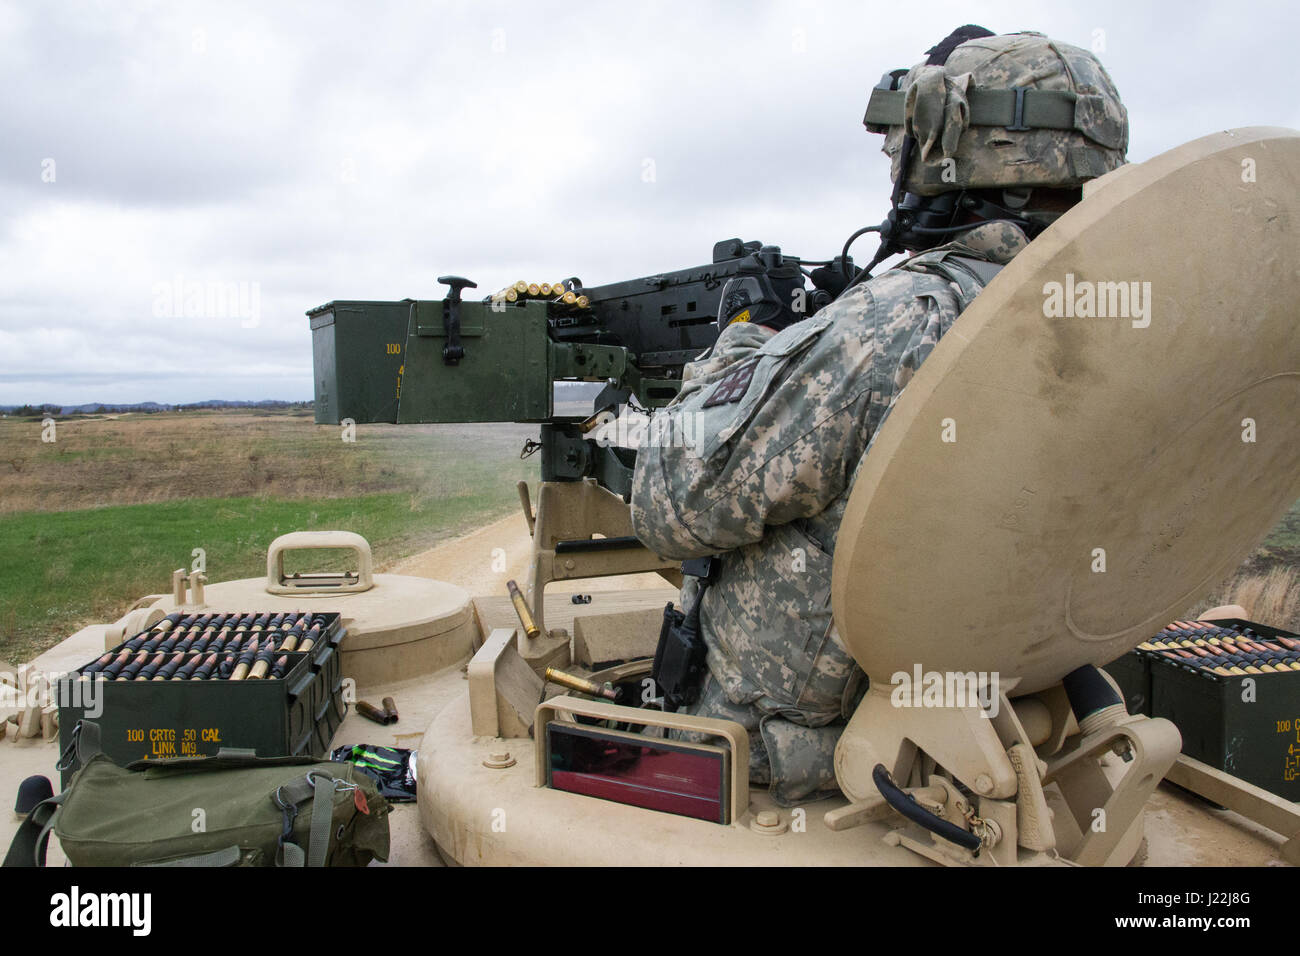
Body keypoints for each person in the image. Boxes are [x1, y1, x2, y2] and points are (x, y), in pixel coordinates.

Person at [630, 26, 1129, 806]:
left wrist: (740, 347)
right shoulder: (1122, 318)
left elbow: (668, 501)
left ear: (947, 145)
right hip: (1000, 723)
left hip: (804, 764)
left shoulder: (900, 323)